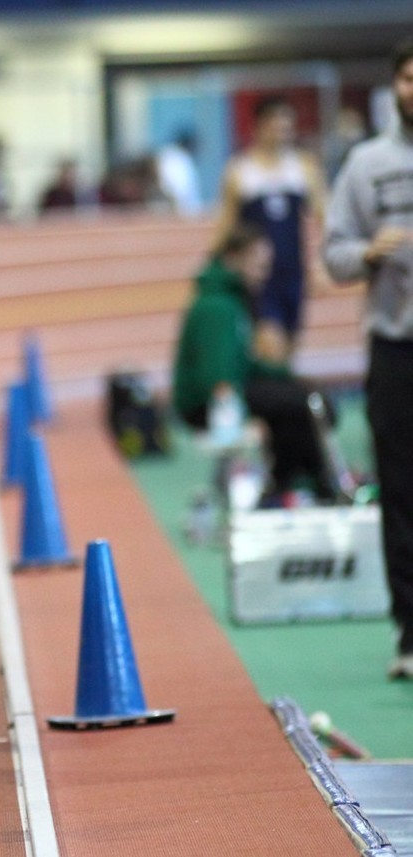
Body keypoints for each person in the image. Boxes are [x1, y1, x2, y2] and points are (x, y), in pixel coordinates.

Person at [322, 37, 413, 680]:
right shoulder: (365, 164)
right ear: (394, 86)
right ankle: (411, 634)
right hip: (396, 347)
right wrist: (368, 254)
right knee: (403, 494)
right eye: (410, 78)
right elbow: (333, 255)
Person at [173, 224, 336, 503]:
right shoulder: (218, 307)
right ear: (233, 258)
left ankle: (290, 480)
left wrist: (284, 376)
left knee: (301, 396)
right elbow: (217, 376)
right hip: (207, 403)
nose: (264, 274)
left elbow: (242, 364)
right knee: (302, 403)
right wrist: (231, 417)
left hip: (225, 390)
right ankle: (307, 483)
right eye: (258, 266)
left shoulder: (233, 299)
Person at [213, 96, 329, 345]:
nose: (282, 134)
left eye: (287, 128)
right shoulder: (240, 171)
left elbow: (324, 217)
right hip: (257, 274)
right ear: (258, 127)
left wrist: (320, 262)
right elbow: (226, 224)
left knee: (290, 344)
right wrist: (217, 265)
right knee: (268, 344)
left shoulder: (304, 167)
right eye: (275, 127)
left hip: (292, 270)